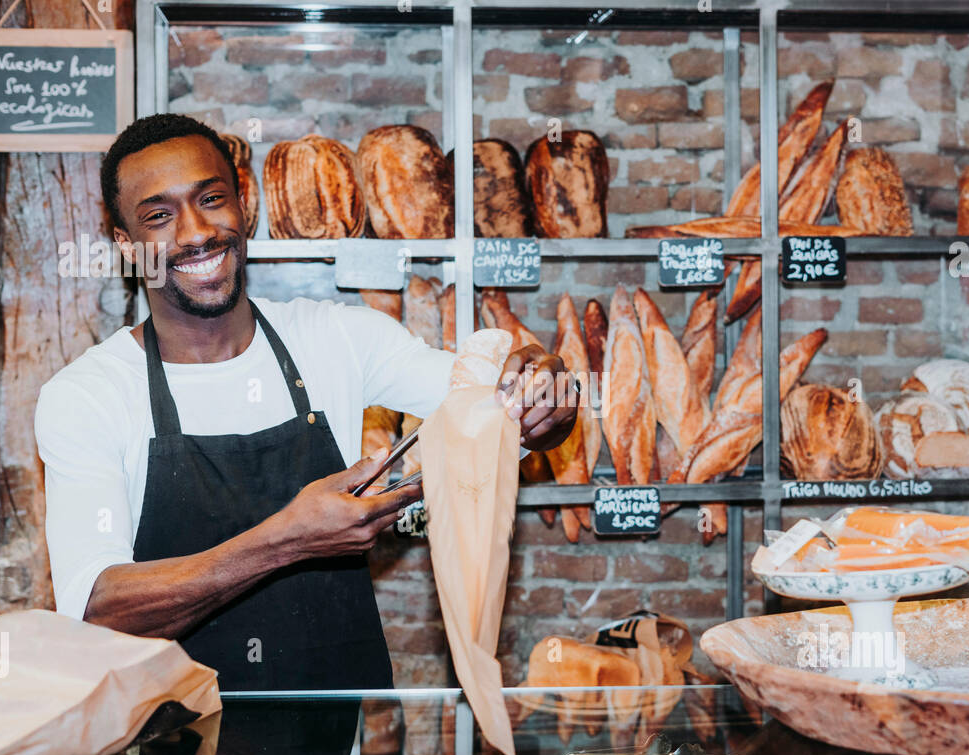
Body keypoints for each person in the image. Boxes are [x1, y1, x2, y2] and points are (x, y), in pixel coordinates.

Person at [35, 113, 577, 694]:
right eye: (159, 217)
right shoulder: (86, 396)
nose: (194, 233)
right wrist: (286, 539)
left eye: (211, 198)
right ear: (126, 244)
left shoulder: (340, 339)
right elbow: (96, 609)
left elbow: (490, 408)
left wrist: (544, 403)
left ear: (242, 204)